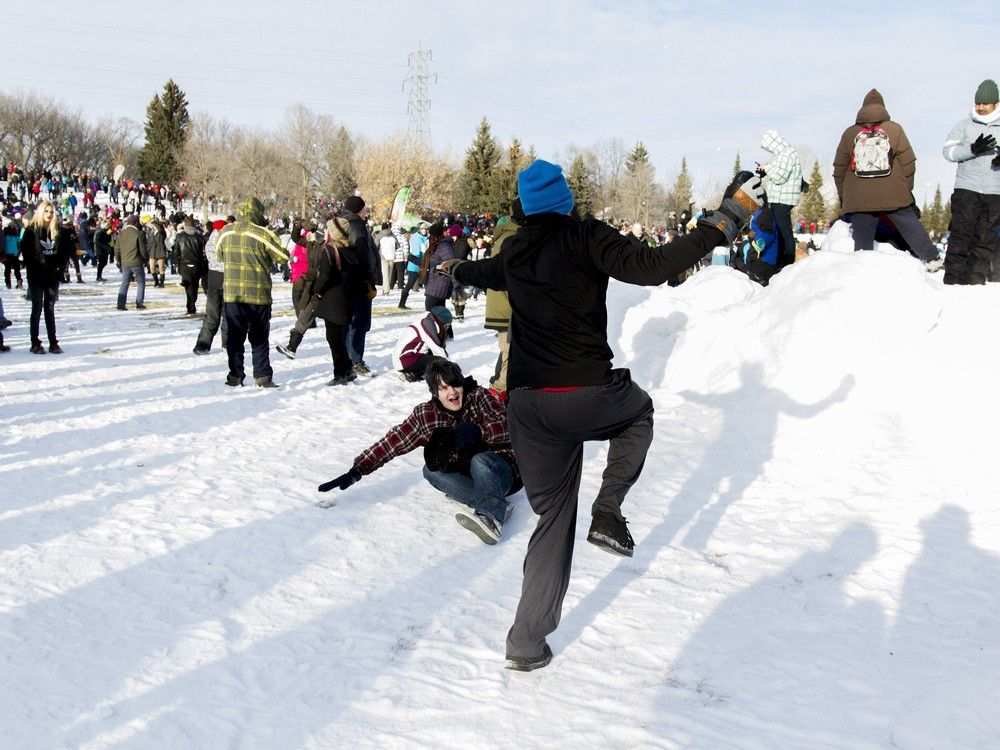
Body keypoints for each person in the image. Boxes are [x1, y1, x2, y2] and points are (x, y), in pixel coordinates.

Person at [442, 159, 764, 671]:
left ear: (525, 207)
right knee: (639, 413)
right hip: (586, 394)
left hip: (529, 407)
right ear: (564, 201)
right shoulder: (586, 236)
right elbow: (655, 267)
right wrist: (727, 219)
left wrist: (453, 269)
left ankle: (525, 643)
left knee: (553, 518)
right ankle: (608, 511)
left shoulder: (515, 250)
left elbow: (481, 272)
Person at [318, 357, 521, 545]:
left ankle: (491, 517)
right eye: (443, 388)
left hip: (501, 473)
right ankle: (493, 504)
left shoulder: (479, 397)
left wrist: (478, 431)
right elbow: (393, 441)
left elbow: (511, 427)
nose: (452, 392)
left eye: (455, 385)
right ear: (434, 392)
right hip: (469, 476)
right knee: (430, 471)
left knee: (480, 460)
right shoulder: (426, 416)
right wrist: (357, 470)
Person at [832, 89, 940, 265]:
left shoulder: (850, 133)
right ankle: (932, 258)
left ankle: (861, 268)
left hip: (859, 197)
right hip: (893, 193)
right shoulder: (894, 129)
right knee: (910, 226)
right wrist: (905, 190)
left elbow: (839, 168)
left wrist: (845, 198)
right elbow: (908, 162)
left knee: (863, 240)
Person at [216, 196, 289, 388]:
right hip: (258, 294)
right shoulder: (262, 234)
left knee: (234, 337)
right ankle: (262, 376)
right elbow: (282, 257)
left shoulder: (225, 232)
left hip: (233, 294)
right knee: (259, 337)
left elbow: (218, 255)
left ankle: (235, 375)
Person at [941, 78, 1000, 284]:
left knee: (985, 240)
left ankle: (975, 283)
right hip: (967, 189)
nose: (981, 107)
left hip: (995, 192)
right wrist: (972, 149)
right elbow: (948, 152)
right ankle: (953, 281)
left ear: (996, 104)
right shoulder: (964, 126)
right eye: (978, 103)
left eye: (985, 104)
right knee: (961, 236)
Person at [310, 217, 362, 385]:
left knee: (334, 339)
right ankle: (348, 369)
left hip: (332, 301)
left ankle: (340, 373)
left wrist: (316, 290)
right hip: (348, 299)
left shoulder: (330, 251)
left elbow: (324, 277)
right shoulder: (351, 248)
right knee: (339, 338)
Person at [21, 200, 73, 353]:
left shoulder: (58, 231)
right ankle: (35, 342)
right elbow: (27, 255)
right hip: (36, 275)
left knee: (50, 308)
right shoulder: (31, 231)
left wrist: (59, 269)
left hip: (52, 276)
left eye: (51, 212)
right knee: (36, 308)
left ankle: (53, 342)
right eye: (46, 211)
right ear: (40, 212)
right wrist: (39, 266)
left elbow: (63, 252)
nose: (49, 214)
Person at [340, 195, 379, 377]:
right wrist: (368, 277)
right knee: (359, 322)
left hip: (346, 280)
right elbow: (362, 253)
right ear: (358, 210)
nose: (365, 212)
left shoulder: (340, 223)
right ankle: (355, 360)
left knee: (348, 322)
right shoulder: (356, 225)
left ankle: (347, 360)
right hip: (359, 280)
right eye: (363, 209)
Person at [759, 129, 803, 269]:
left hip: (783, 199)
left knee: (784, 231)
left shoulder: (786, 153)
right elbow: (779, 172)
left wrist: (766, 168)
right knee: (779, 231)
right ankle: (780, 261)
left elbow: (780, 177)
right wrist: (766, 170)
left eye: (768, 146)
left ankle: (787, 262)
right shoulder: (783, 154)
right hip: (779, 198)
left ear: (772, 142)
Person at [193, 218, 232, 354]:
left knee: (212, 315)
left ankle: (203, 344)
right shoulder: (224, 240)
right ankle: (227, 343)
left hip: (213, 280)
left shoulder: (210, 241)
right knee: (227, 315)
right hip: (226, 278)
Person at [392, 306, 452, 381]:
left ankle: (412, 373)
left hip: (402, 359)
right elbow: (438, 350)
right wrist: (451, 368)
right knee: (440, 362)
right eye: (447, 325)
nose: (447, 328)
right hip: (405, 359)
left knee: (434, 359)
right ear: (441, 322)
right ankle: (413, 374)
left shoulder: (426, 320)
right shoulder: (428, 326)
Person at [115, 215, 148, 310]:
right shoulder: (139, 233)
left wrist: (119, 261)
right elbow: (143, 250)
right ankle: (139, 302)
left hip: (125, 262)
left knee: (124, 283)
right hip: (137, 262)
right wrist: (145, 260)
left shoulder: (121, 233)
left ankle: (120, 304)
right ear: (136, 223)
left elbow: (117, 249)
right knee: (141, 283)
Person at [175, 216, 207, 315]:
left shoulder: (180, 236)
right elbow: (203, 251)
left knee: (188, 285)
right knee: (195, 285)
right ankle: (192, 304)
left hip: (184, 264)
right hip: (196, 264)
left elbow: (177, 251)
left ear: (185, 224)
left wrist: (177, 264)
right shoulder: (199, 236)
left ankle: (191, 306)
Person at [422, 222, 455, 312]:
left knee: (431, 313)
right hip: (433, 283)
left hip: (439, 285)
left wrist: (438, 269)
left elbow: (452, 264)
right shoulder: (436, 246)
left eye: (431, 235)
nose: (430, 237)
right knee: (438, 315)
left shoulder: (444, 247)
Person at [398, 223, 428, 309]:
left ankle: (430, 305)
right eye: (422, 229)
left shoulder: (427, 238)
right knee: (409, 284)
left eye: (426, 229)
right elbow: (416, 253)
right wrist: (422, 262)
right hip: (414, 265)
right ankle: (401, 304)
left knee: (428, 285)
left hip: (424, 265)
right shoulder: (415, 238)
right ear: (419, 229)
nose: (424, 231)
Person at [145, 218, 168, 287]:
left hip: (160, 251)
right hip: (152, 251)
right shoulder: (151, 232)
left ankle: (162, 282)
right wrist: (148, 250)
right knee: (151, 268)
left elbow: (163, 236)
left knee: (161, 268)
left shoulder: (162, 232)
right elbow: (149, 242)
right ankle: (156, 281)